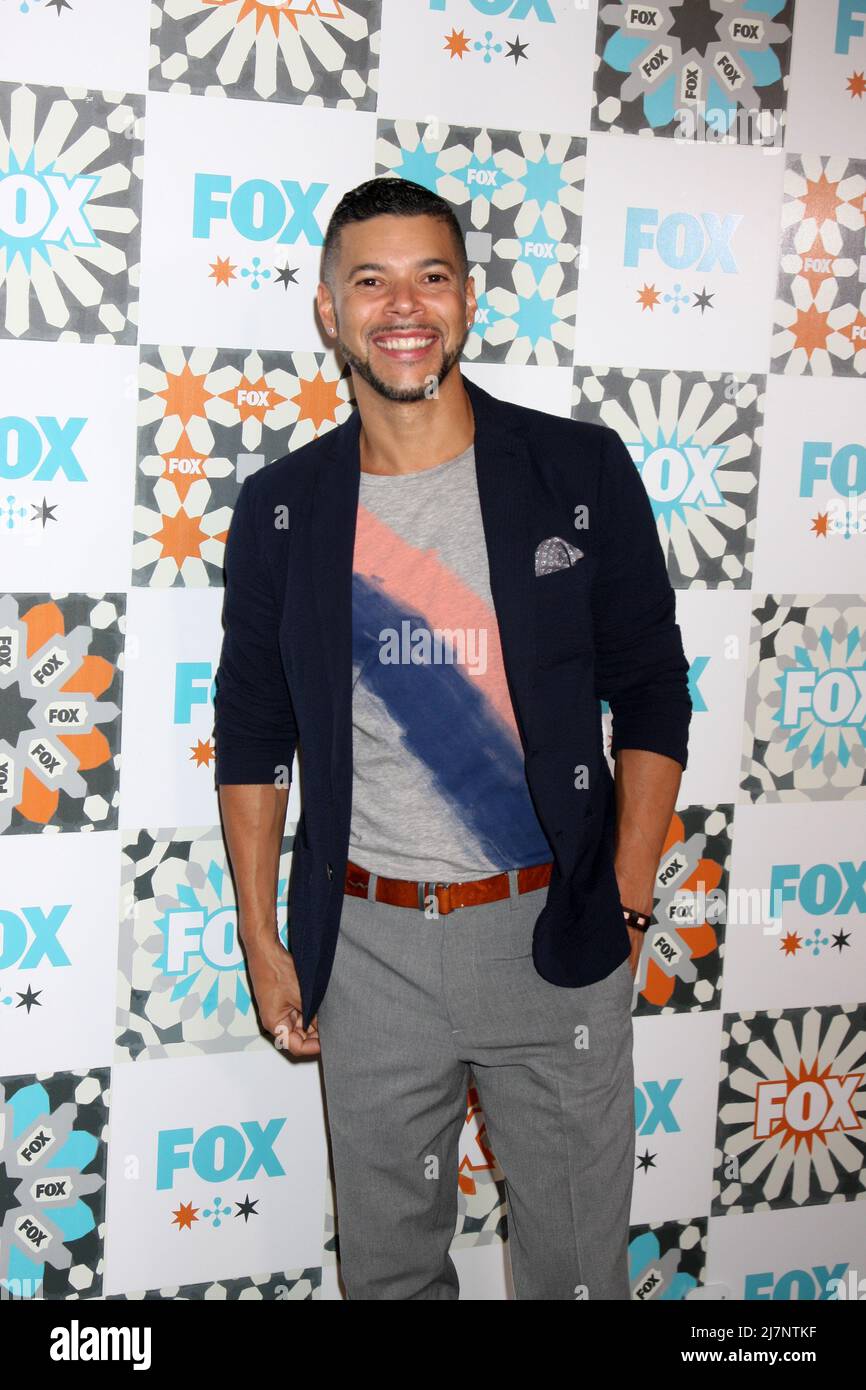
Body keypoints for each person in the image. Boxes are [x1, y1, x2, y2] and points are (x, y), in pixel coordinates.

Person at [213, 176, 692, 1300]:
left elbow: (653, 693)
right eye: (368, 280)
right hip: (369, 949)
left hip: (554, 932)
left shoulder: (574, 470)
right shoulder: (283, 507)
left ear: (466, 299)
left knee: (577, 1276)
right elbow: (251, 736)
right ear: (328, 311)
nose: (402, 305)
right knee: (387, 1277)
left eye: (430, 275)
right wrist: (259, 937)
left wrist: (623, 897)